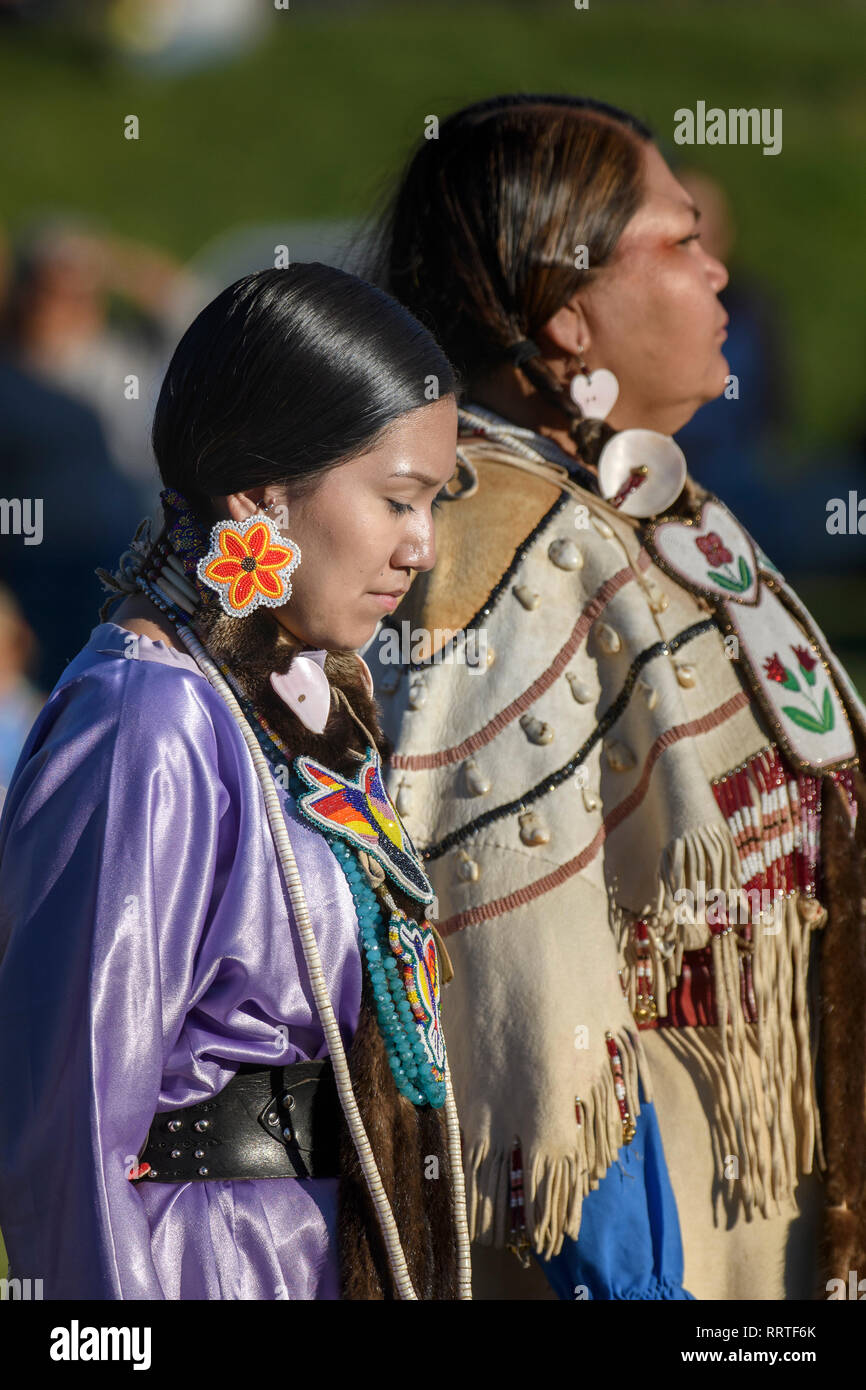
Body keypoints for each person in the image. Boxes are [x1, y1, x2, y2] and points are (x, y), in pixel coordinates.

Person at [363, 94, 866, 1301]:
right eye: (679, 240)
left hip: (760, 1178)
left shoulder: (643, 509)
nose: (717, 270)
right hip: (650, 1228)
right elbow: (513, 979)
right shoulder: (495, 541)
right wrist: (630, 1278)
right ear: (569, 311)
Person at [0, 263, 470, 1300]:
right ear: (260, 492)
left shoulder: (300, 701)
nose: (420, 545)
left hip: (326, 1246)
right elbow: (71, 1128)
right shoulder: (147, 719)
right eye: (396, 498)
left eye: (435, 502)